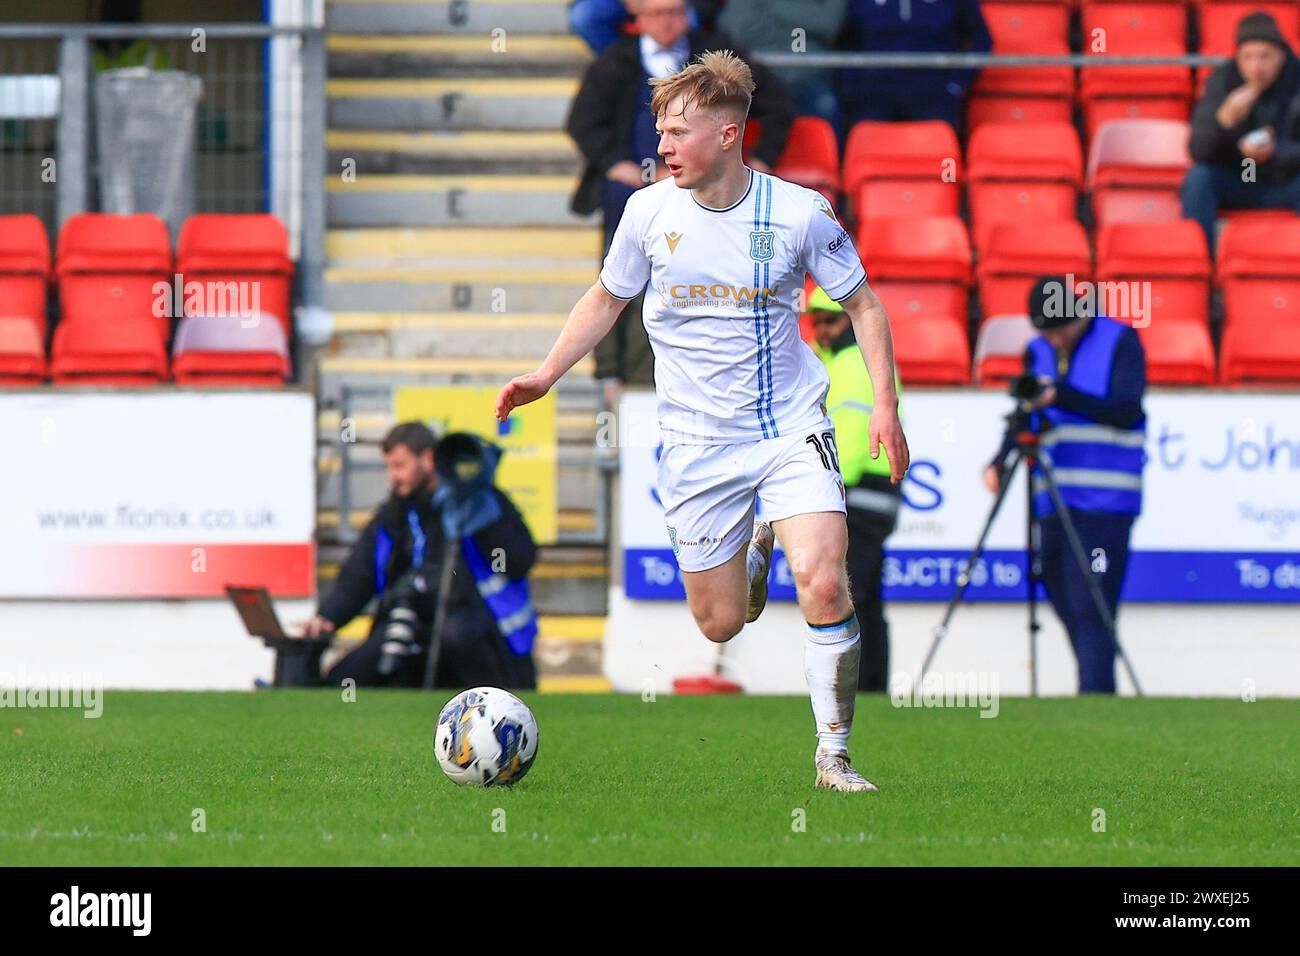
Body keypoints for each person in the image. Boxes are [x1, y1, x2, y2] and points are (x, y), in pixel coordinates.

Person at [499, 51, 909, 791]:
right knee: (719, 624)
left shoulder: (797, 212)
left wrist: (885, 404)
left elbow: (864, 305)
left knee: (823, 582)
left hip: (789, 426)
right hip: (694, 442)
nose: (661, 147)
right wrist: (545, 373)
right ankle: (752, 560)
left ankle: (834, 753)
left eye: (677, 132)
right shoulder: (647, 212)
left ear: (727, 134)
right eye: (659, 131)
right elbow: (605, 299)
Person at [569, 0, 794, 390]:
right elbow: (583, 122)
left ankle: (654, 381)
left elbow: (776, 103)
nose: (667, 22)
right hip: (630, 195)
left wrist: (761, 159)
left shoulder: (715, 57)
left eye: (675, 11)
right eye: (656, 13)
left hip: (699, 199)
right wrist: (616, 163)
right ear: (637, 18)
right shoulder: (614, 61)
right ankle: (611, 377)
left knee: (673, 287)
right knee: (616, 283)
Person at [982, 277, 1147, 695]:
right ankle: (1096, 688)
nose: (1055, 339)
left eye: (1061, 330)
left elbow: (1126, 410)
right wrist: (1002, 457)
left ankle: (1096, 697)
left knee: (1093, 603)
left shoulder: (1120, 341)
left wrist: (1061, 397)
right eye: (1046, 332)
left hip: (1106, 503)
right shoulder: (1037, 352)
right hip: (1053, 500)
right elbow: (1027, 411)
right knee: (1059, 592)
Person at [300, 423, 539, 690]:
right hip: (408, 626)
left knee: (456, 637)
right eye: (389, 467)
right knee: (346, 678)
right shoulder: (395, 513)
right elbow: (360, 574)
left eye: (400, 466)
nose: (393, 477)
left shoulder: (482, 502)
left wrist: (481, 521)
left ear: (427, 459)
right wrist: (328, 617)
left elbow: (520, 560)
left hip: (482, 638)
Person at [809, 286, 903, 694]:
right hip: (871, 495)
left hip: (856, 493)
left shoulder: (851, 364)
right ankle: (872, 686)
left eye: (829, 321)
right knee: (867, 598)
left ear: (848, 320)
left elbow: (847, 440)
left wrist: (826, 489)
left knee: (856, 596)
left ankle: (861, 687)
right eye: (816, 322)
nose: (821, 331)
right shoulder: (856, 362)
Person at [1182, 11, 1300, 252]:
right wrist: (1223, 121)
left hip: (1285, 180)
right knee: (1199, 178)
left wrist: (1276, 152)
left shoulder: (1296, 80)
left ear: (1281, 55)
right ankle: (1201, 263)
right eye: (1248, 57)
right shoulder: (1223, 81)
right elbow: (1197, 150)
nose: (1256, 67)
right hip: (1242, 176)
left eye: (1264, 57)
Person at [840, 0, 991, 133]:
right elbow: (845, 41)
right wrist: (853, 88)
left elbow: (982, 39)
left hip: (935, 94)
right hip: (873, 95)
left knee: (942, 159)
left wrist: (956, 86)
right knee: (866, 156)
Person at [717, 0, 848, 127]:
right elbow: (736, 31)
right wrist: (801, 24)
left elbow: (828, 23)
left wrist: (768, 6)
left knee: (826, 105)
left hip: (807, 79)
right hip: (758, 80)